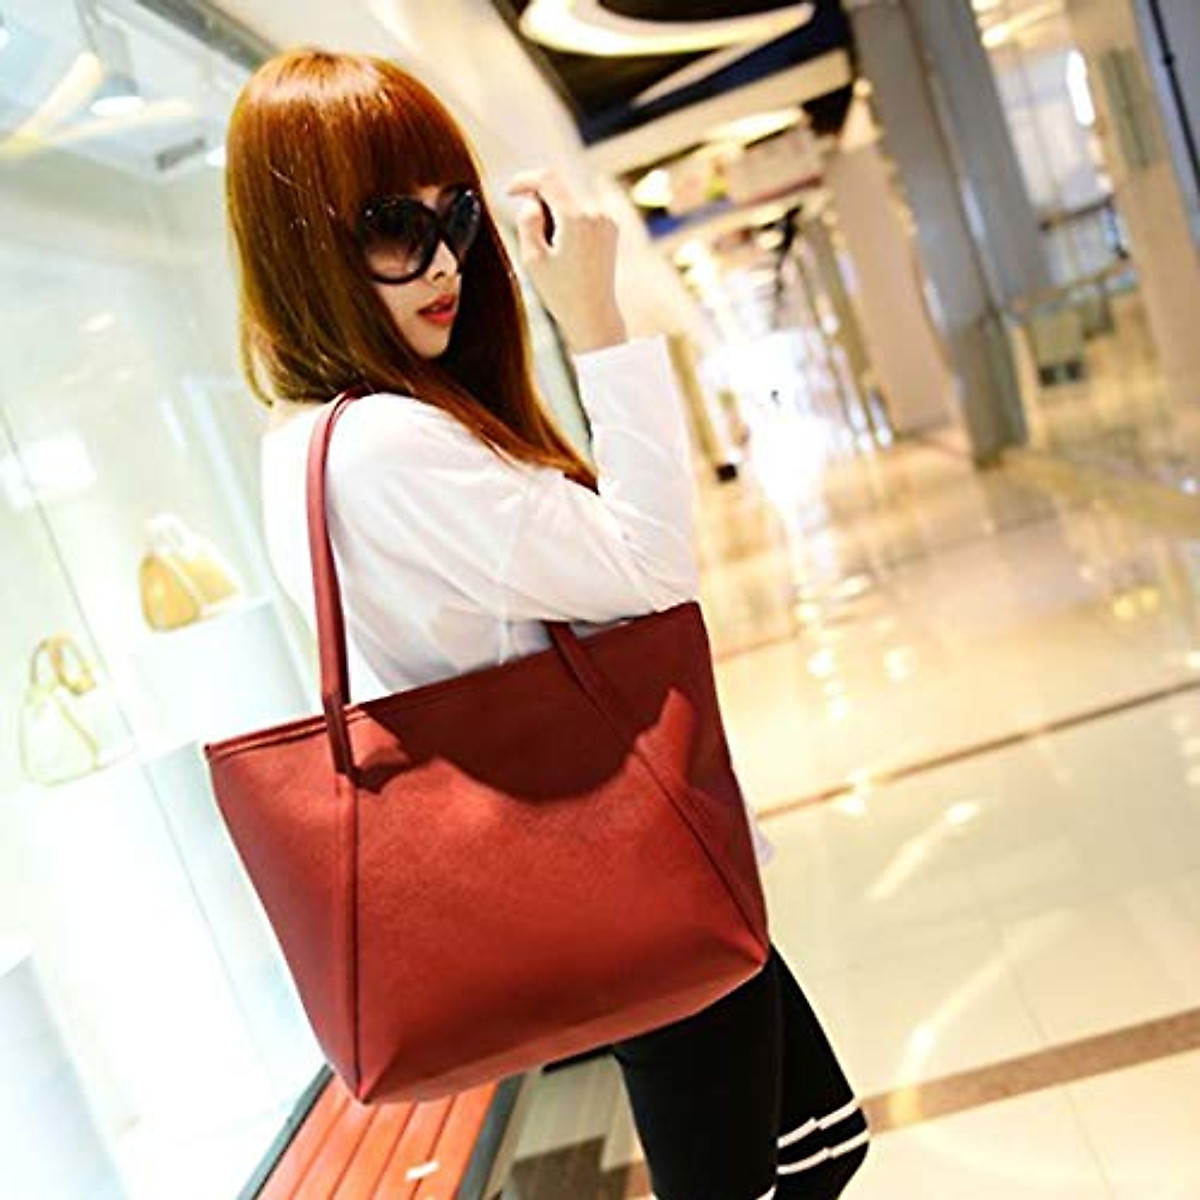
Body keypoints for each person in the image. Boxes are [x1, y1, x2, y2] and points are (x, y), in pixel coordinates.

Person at [225, 48, 869, 1200]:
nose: (442, 263)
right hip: (615, 864)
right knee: (770, 1171)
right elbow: (653, 573)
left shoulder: (306, 441)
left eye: (455, 218)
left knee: (815, 1148)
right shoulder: (383, 446)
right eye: (394, 228)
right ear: (302, 243)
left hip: (604, 864)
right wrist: (598, 323)